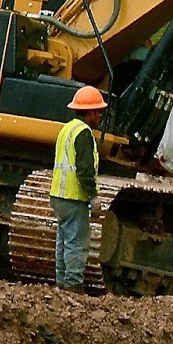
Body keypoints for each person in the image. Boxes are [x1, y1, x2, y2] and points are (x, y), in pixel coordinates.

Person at [51, 86, 107, 291]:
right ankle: (73, 286)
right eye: (98, 111)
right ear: (90, 112)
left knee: (64, 241)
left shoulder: (67, 129)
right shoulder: (83, 133)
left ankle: (61, 283)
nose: (100, 115)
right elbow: (84, 169)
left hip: (59, 195)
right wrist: (93, 196)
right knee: (76, 243)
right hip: (74, 197)